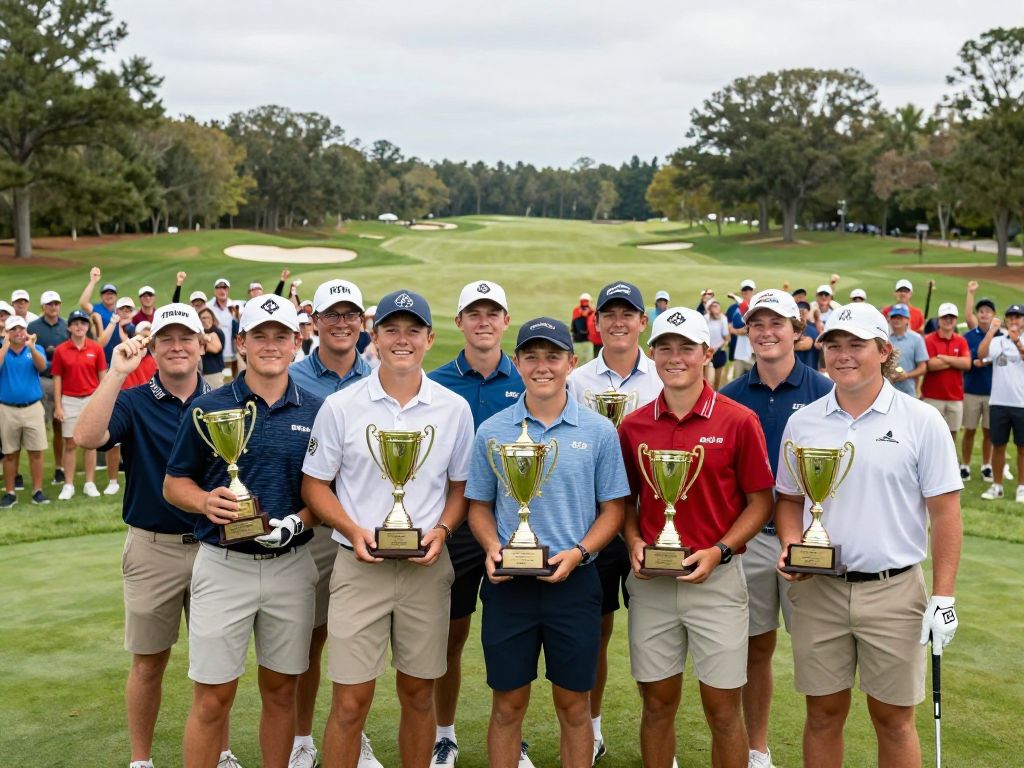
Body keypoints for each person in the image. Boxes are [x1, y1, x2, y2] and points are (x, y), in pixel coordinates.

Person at [775, 302, 962, 768]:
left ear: (884, 350)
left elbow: (946, 513)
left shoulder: (922, 421)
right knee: (822, 714)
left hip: (894, 591)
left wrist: (944, 598)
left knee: (894, 719)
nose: (843, 355)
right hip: (819, 590)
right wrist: (790, 548)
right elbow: (789, 500)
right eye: (833, 345)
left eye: (856, 345)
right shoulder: (804, 422)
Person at [302, 289, 474, 768]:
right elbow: (314, 486)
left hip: (426, 567)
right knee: (350, 701)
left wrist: (442, 529)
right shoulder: (342, 405)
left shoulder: (453, 408)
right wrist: (353, 530)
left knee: (419, 695)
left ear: (430, 338)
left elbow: (460, 488)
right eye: (392, 330)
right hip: (359, 568)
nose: (403, 340)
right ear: (372, 336)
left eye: (413, 330)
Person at [74, 304, 247, 768]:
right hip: (153, 549)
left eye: (186, 338)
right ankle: (141, 760)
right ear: (154, 347)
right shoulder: (132, 399)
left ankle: (223, 752)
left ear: (202, 345)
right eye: (166, 339)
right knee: (149, 662)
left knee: (217, 666)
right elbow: (87, 438)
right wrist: (115, 373)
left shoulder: (224, 401)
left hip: (216, 549)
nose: (177, 347)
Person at [164, 294, 323, 768]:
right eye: (260, 336)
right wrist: (204, 500)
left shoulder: (318, 411)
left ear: (297, 343)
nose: (270, 345)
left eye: (281, 336)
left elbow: (325, 492)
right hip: (222, 565)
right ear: (242, 343)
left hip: (291, 566)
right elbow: (174, 482)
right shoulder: (209, 406)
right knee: (213, 697)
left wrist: (300, 520)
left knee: (281, 692)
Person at [466, 317, 628, 768]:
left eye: (553, 356)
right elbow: (478, 504)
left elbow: (613, 509)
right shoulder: (492, 431)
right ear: (516, 362)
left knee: (574, 707)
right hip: (508, 586)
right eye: (532, 356)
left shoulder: (599, 432)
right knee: (507, 706)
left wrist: (580, 552)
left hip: (574, 585)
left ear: (571, 363)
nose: (543, 366)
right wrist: (491, 547)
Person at [618, 306, 774, 768]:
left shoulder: (738, 420)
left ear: (707, 353)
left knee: (723, 710)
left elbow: (760, 502)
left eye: (687, 347)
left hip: (719, 583)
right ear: (652, 354)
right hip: (653, 585)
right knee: (657, 705)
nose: (676, 357)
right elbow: (625, 503)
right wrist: (633, 541)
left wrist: (720, 549)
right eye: (665, 347)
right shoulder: (633, 426)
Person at [719, 290, 833, 768]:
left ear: (797, 331)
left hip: (812, 543)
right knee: (756, 649)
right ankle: (757, 750)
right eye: (757, 324)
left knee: (819, 656)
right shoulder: (728, 397)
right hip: (751, 544)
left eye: (777, 324)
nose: (766, 332)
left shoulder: (826, 392)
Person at [426, 280, 525, 768]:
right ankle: (445, 734)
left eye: (493, 313)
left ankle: (515, 736)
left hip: (518, 529)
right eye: (474, 313)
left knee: (514, 638)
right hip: (456, 530)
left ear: (506, 321)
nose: (484, 321)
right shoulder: (436, 382)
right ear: (459, 321)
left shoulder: (531, 377)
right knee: (452, 634)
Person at [566, 281, 662, 763]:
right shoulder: (577, 381)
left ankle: (659, 735)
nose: (618, 322)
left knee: (655, 632)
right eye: (610, 314)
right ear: (596, 322)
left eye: (628, 314)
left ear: (642, 322)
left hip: (655, 523)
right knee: (595, 630)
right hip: (595, 525)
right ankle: (595, 727)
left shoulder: (664, 376)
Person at [288, 279, 375, 768]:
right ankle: (303, 741)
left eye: (350, 314)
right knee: (310, 637)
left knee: (354, 644)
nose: (342, 323)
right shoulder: (294, 378)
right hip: (312, 529)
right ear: (314, 321)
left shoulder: (381, 376)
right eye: (331, 315)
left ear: (362, 323)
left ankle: (354, 737)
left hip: (366, 531)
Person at [52, 308, 107, 500]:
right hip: (69, 400)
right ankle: (68, 485)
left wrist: (102, 403)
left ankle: (89, 483)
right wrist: (58, 406)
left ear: (87, 327)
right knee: (70, 443)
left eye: (83, 323)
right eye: (75, 323)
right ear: (69, 327)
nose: (79, 326)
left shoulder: (95, 348)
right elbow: (57, 379)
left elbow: (103, 378)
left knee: (90, 443)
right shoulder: (60, 350)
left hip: (91, 399)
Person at [0, 316, 49, 507]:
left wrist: (31, 346)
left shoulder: (35, 349)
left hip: (33, 408)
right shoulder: (3, 350)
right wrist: (4, 344)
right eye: (13, 329)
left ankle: (38, 491)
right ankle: (10, 492)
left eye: (21, 328)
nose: (18, 332)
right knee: (9, 453)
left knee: (36, 451)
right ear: (8, 332)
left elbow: (42, 366)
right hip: (7, 409)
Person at [978, 304, 1024, 502]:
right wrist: (991, 331)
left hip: (1022, 402)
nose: (1014, 320)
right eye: (1011, 317)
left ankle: (1022, 487)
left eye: (1018, 317)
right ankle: (997, 486)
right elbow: (981, 355)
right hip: (998, 401)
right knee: (998, 445)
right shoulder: (998, 340)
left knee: (1022, 448)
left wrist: (1017, 342)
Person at [961, 284, 1005, 482]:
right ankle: (965, 465)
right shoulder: (969, 336)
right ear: (977, 315)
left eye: (988, 311)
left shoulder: (1002, 338)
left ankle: (987, 466)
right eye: (981, 311)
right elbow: (971, 361)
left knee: (989, 432)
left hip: (993, 392)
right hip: (971, 390)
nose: (984, 314)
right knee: (969, 430)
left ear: (994, 315)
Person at [27, 291, 70, 486]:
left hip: (62, 381)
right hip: (41, 381)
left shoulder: (66, 326)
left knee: (59, 426)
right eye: (49, 304)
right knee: (39, 429)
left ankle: (59, 468)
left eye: (56, 304)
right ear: (43, 306)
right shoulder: (33, 327)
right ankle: (36, 474)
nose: (53, 307)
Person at [921, 303, 971, 443]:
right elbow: (931, 365)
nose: (948, 320)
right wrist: (956, 361)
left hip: (955, 397)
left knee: (952, 435)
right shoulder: (929, 339)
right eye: (945, 317)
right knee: (930, 436)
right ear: (939, 319)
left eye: (952, 317)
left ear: (955, 320)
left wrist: (944, 358)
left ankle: (948, 465)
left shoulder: (961, 341)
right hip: (932, 397)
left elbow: (967, 364)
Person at [887, 305, 929, 398]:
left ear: (907, 319)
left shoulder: (916, 339)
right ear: (889, 319)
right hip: (885, 392)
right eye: (894, 317)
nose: (896, 320)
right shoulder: (884, 338)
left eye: (900, 317)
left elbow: (922, 368)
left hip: (908, 393)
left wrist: (906, 375)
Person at [209, 279, 238, 377]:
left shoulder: (235, 306)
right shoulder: (208, 306)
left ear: (228, 290)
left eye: (224, 288)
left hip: (232, 349)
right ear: (215, 290)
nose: (222, 291)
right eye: (219, 288)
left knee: (233, 376)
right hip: (215, 349)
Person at [198, 308, 226, 391]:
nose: (205, 320)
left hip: (214, 372)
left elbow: (216, 348)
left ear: (212, 318)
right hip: (203, 373)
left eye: (208, 317)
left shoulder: (216, 332)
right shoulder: (202, 333)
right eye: (203, 318)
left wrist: (201, 341)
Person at [706, 299, 730, 389]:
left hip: (719, 352)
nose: (716, 307)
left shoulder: (723, 319)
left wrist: (718, 348)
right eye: (713, 305)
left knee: (718, 382)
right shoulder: (705, 319)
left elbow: (727, 338)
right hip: (708, 353)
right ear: (709, 309)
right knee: (709, 381)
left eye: (717, 305)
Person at [795, 301, 820, 371]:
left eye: (803, 311)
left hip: (810, 368)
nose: (801, 313)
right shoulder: (790, 329)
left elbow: (809, 344)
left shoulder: (814, 329)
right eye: (799, 311)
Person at [571, 293, 595, 362]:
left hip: (587, 340)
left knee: (584, 359)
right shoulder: (577, 311)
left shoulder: (591, 311)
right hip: (579, 339)